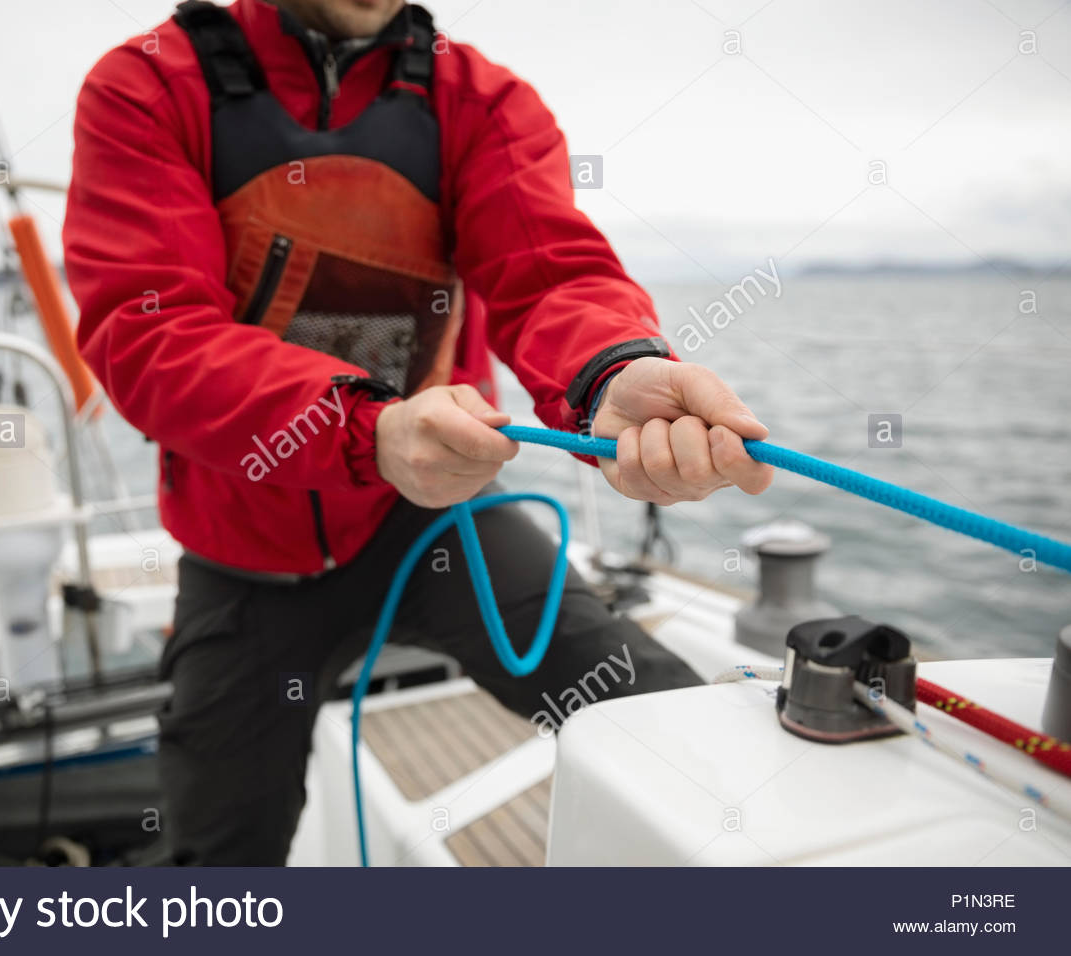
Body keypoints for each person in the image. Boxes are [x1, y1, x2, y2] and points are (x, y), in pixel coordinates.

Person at [62, 0, 774, 865]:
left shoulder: (480, 101)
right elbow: (151, 330)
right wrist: (369, 429)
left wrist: (609, 375)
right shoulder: (148, 85)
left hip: (436, 518)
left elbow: (548, 275)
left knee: (664, 721)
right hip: (245, 549)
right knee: (217, 858)